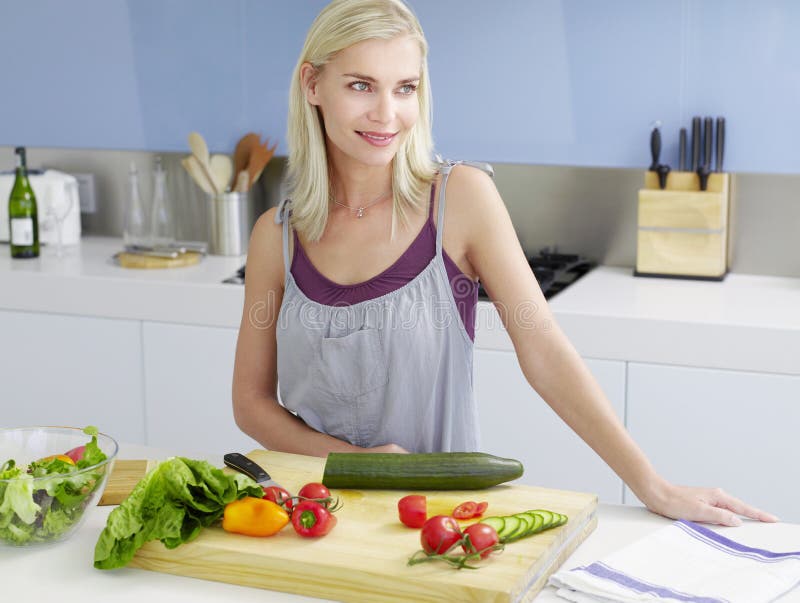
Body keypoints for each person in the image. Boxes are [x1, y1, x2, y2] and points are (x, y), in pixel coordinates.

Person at [232, 0, 776, 527]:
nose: (386, 113)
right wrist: (356, 463)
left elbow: (543, 349)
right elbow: (252, 402)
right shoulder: (274, 237)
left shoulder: (460, 199)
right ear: (311, 85)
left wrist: (651, 484)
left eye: (405, 88)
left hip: (433, 525)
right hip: (300, 516)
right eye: (360, 85)